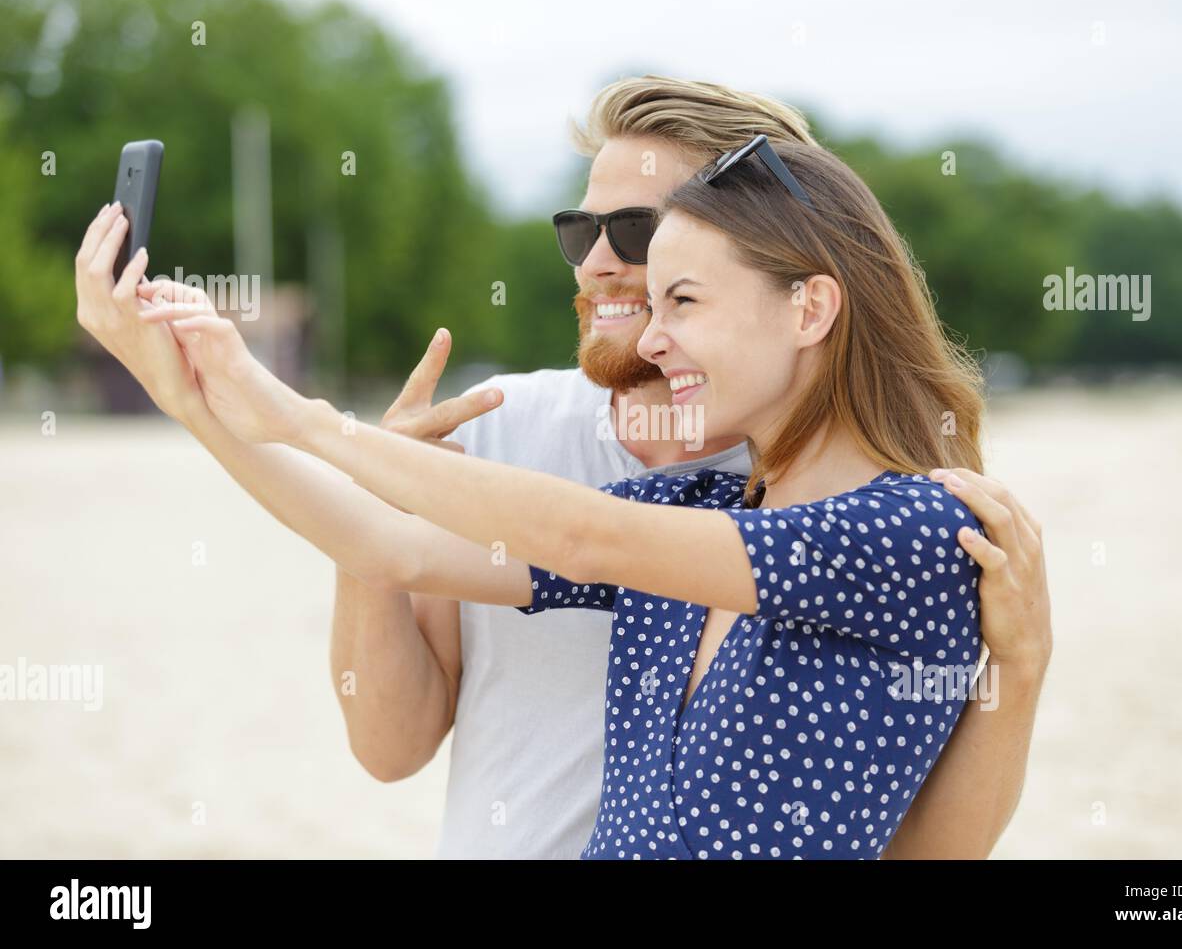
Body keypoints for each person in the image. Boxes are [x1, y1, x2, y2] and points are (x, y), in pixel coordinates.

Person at [74, 76, 1051, 859]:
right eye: (585, 236)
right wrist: (192, 399)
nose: (645, 326)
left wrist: (305, 418)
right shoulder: (692, 493)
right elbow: (392, 545)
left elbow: (582, 530)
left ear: (808, 308)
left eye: (682, 292)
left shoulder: (915, 525)